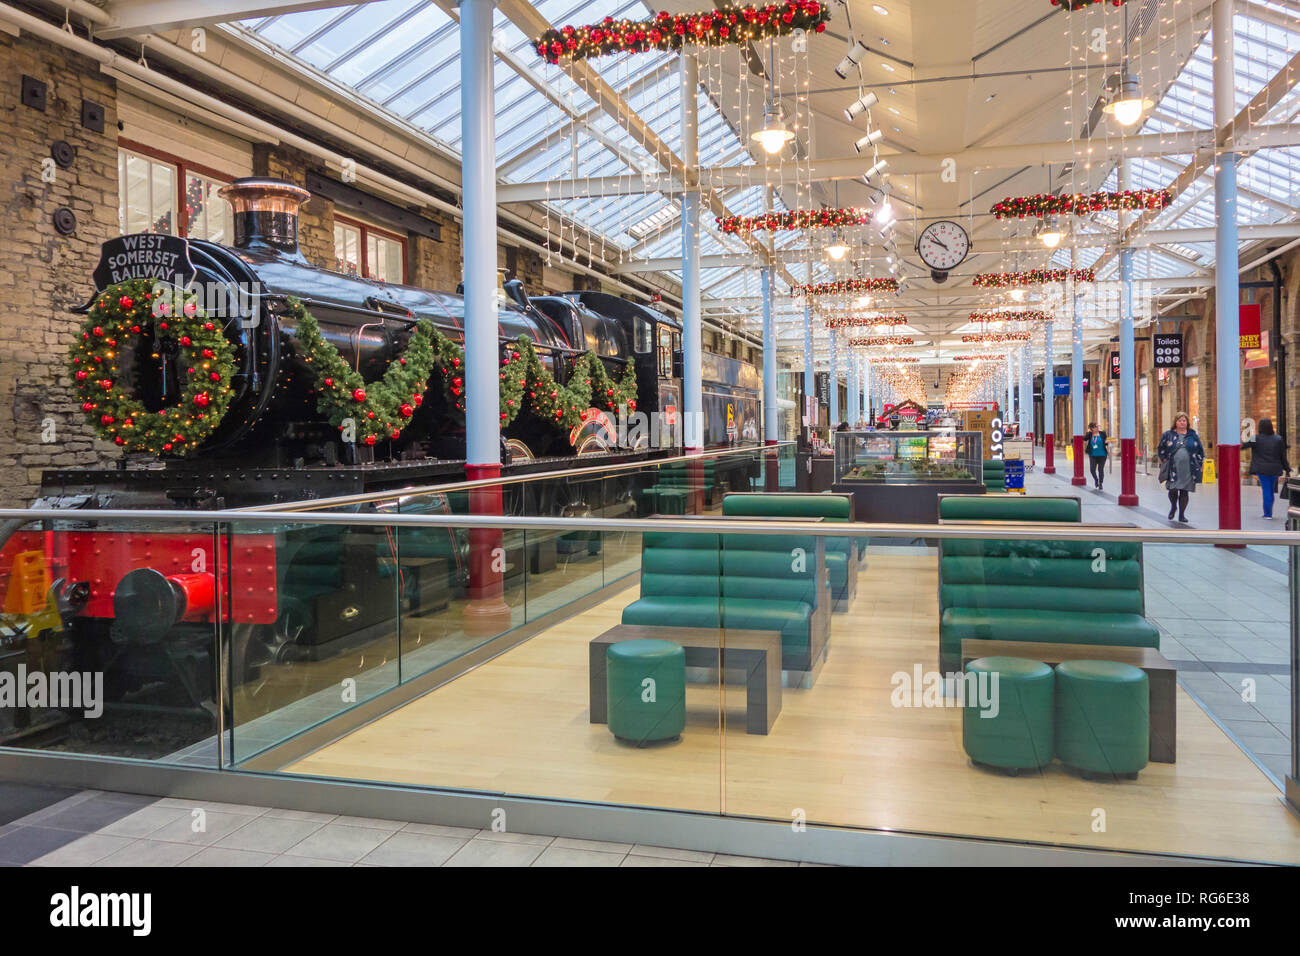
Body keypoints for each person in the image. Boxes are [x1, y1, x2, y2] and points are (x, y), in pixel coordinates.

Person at [1157, 411, 1205, 524]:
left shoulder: (1193, 435)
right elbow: (1161, 448)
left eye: (1184, 420)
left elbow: (1200, 449)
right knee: (1173, 489)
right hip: (1173, 467)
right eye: (1180, 420)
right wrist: (1164, 459)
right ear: (1176, 422)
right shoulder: (1168, 435)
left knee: (1184, 492)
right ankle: (1173, 507)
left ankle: (1182, 514)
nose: (1182, 422)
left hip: (1188, 468)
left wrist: (1199, 461)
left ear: (1187, 422)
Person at [1242, 418, 1291, 519]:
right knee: (1271, 490)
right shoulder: (1278, 439)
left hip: (1262, 469)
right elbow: (1282, 456)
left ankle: (1268, 514)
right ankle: (1269, 512)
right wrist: (1287, 469)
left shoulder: (1255, 438)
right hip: (1274, 470)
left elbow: (1242, 446)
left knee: (1266, 490)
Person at [1085, 422, 1108, 491]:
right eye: (1095, 427)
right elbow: (1084, 438)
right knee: (1092, 470)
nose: (1097, 427)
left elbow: (1105, 441)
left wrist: (1108, 443)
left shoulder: (1102, 433)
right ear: (1092, 428)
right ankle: (1096, 479)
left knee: (1100, 470)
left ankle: (1100, 483)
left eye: (1098, 426)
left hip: (1102, 455)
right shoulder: (1089, 434)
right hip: (1092, 455)